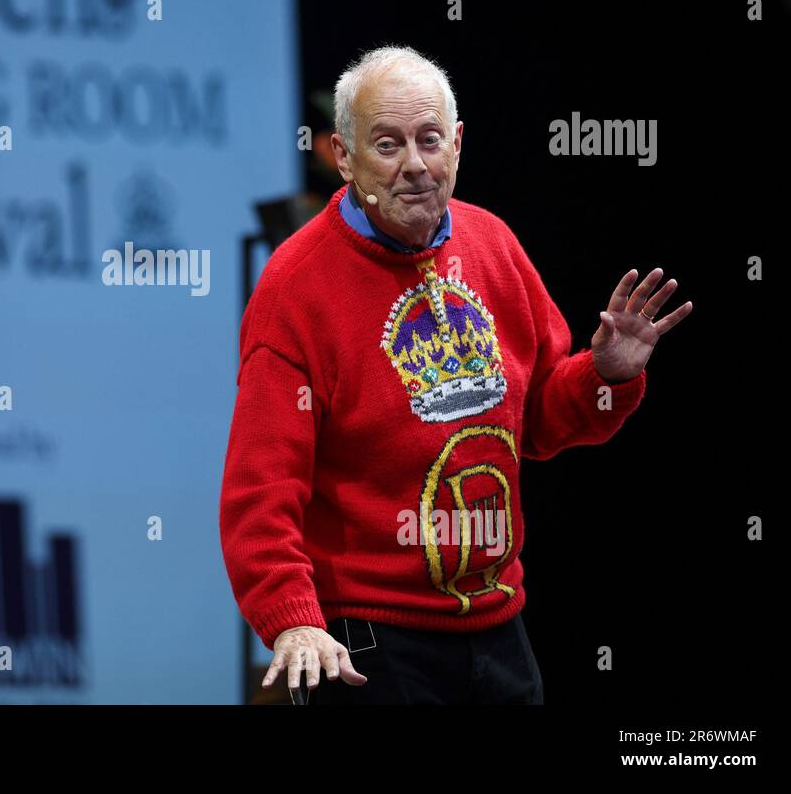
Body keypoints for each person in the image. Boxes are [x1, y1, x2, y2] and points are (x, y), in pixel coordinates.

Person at [219, 45, 693, 703]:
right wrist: (293, 618)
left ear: (458, 145)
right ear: (345, 157)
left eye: (429, 140)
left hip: (497, 627)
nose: (414, 165)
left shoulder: (493, 244)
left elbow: (543, 422)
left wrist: (605, 377)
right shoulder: (295, 288)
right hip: (368, 640)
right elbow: (260, 489)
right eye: (387, 145)